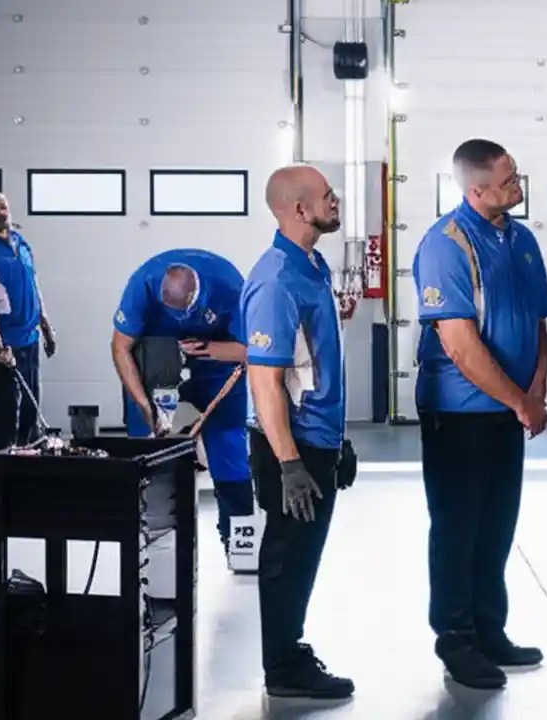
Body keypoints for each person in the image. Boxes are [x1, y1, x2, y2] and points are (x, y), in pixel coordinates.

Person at [411, 138, 547, 690]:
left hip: (508, 413)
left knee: (496, 527)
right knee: (457, 527)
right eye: (509, 178)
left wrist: (534, 393)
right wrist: (521, 401)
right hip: (460, 414)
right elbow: (460, 345)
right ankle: (457, 639)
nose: (518, 185)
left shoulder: (521, 239)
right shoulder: (447, 245)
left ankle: (490, 630)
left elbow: (538, 323)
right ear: (476, 189)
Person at [242, 164, 353, 700]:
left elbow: (312, 367)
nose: (336, 200)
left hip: (316, 439)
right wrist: (290, 464)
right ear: (298, 209)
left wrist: (338, 440)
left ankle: (290, 651)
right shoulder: (277, 277)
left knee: (302, 555)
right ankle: (283, 667)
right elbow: (265, 381)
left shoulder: (312, 265)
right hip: (292, 444)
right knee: (286, 557)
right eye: (326, 195)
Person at [110, 249, 253, 556]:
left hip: (216, 363)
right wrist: (145, 407)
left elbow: (251, 350)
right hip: (156, 362)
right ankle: (150, 538)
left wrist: (208, 348)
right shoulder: (141, 285)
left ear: (197, 292)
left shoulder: (230, 286)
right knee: (146, 451)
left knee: (229, 446)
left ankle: (240, 543)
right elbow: (120, 347)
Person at [0, 191, 57, 453]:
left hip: (30, 338)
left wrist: (46, 328)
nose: (0, 212)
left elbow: (33, 286)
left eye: (3, 206)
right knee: (4, 408)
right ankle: (0, 462)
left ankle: (29, 458)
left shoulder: (21, 243)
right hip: (6, 343)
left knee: (30, 404)